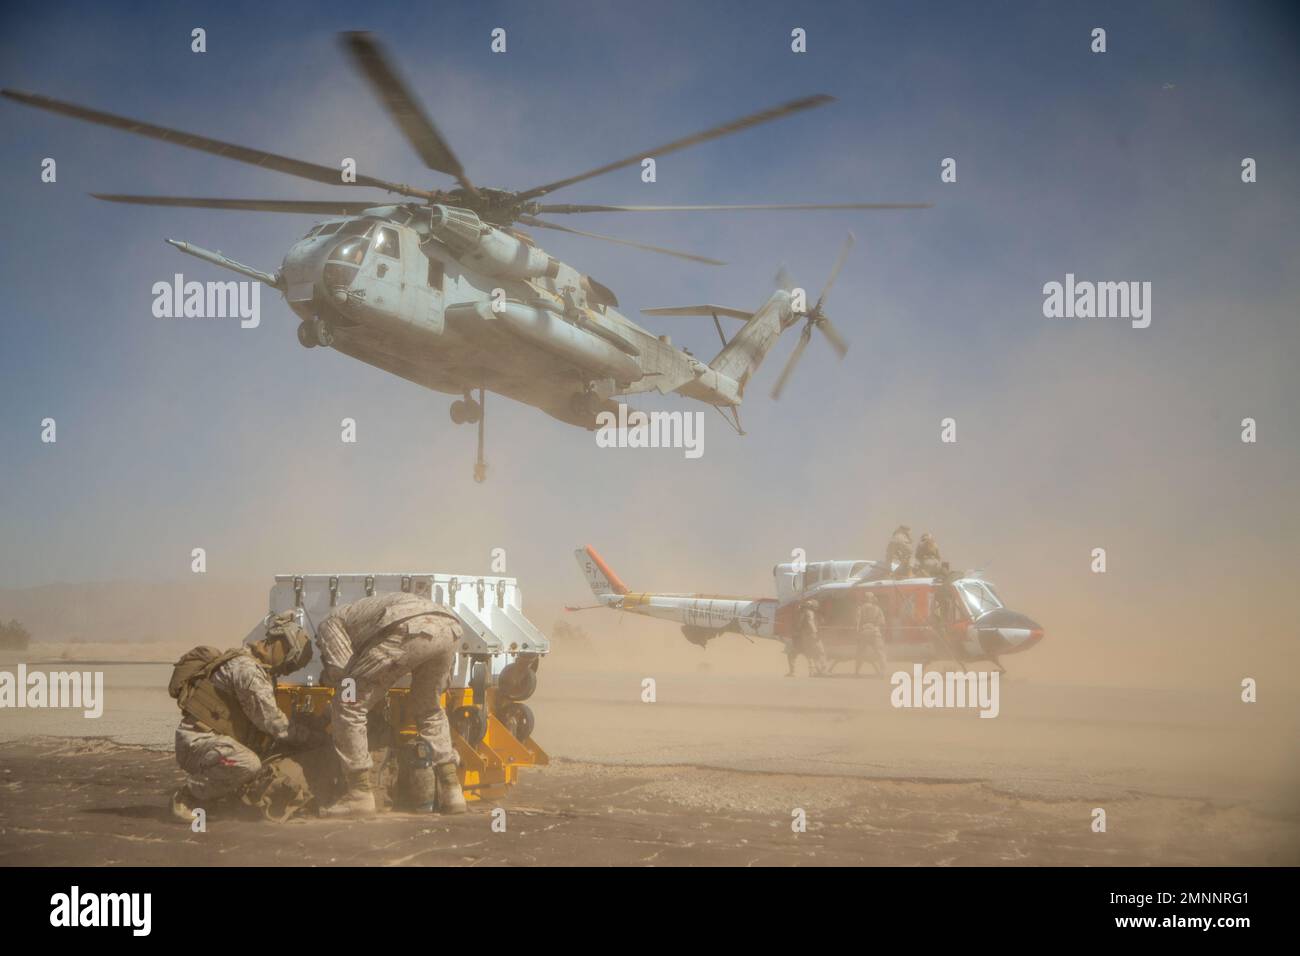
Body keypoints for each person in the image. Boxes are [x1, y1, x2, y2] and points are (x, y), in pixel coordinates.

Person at [315, 592, 466, 817]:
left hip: (410, 627)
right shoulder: (363, 612)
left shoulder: (329, 623)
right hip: (450, 628)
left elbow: (342, 673)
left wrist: (326, 678)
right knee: (429, 709)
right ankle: (452, 791)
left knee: (348, 704)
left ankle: (359, 795)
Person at [169, 615, 314, 821]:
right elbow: (272, 722)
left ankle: (218, 794)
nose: (285, 670)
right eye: (290, 663)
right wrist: (306, 736)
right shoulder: (247, 670)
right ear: (282, 647)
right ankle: (187, 796)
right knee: (248, 764)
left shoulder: (252, 666)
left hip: (216, 742)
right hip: (198, 742)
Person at [787, 598, 826, 677]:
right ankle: (821, 670)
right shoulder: (809, 613)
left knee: (797, 654)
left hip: (801, 637)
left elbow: (797, 625)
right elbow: (810, 622)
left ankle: (794, 672)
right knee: (819, 652)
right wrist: (815, 633)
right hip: (810, 636)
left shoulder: (801, 613)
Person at [853, 591, 888, 677]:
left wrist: (857, 632)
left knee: (860, 652)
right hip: (875, 632)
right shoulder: (878, 608)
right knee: (880, 652)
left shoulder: (860, 608)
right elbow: (882, 622)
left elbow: (856, 621)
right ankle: (883, 672)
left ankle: (857, 671)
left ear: (864, 599)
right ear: (872, 599)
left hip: (863, 632)